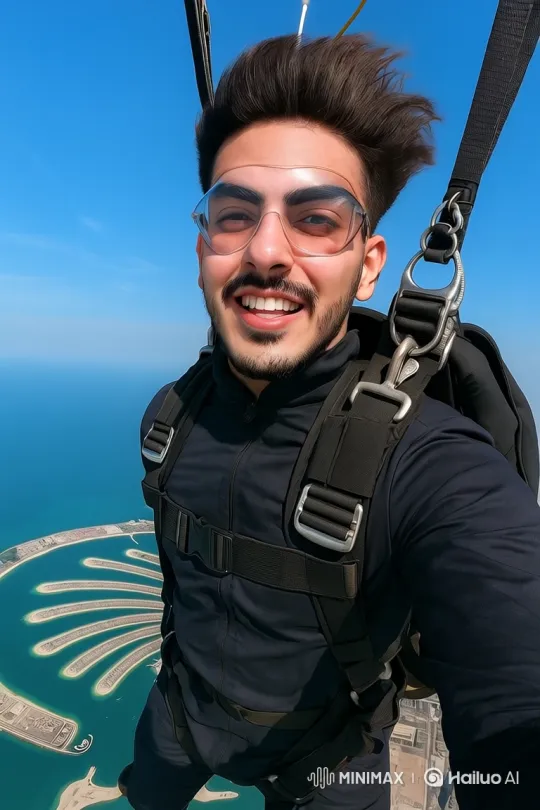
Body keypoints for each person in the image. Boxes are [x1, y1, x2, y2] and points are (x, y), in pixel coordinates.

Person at [119, 33, 540, 810]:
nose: (267, 250)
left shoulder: (430, 465)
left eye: (317, 219)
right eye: (233, 213)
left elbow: (515, 686)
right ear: (204, 244)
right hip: (181, 716)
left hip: (332, 760)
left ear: (371, 261)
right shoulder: (168, 421)